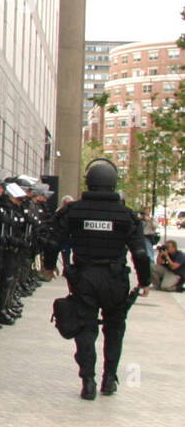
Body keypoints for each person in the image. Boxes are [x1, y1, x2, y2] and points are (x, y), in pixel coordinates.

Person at [41, 159, 150, 399]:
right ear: (114, 184)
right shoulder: (126, 216)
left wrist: (49, 267)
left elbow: (51, 242)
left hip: (84, 278)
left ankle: (87, 380)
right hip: (114, 279)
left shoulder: (73, 210)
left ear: (89, 183)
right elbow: (140, 253)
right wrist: (145, 281)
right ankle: (109, 378)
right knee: (115, 328)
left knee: (85, 328)